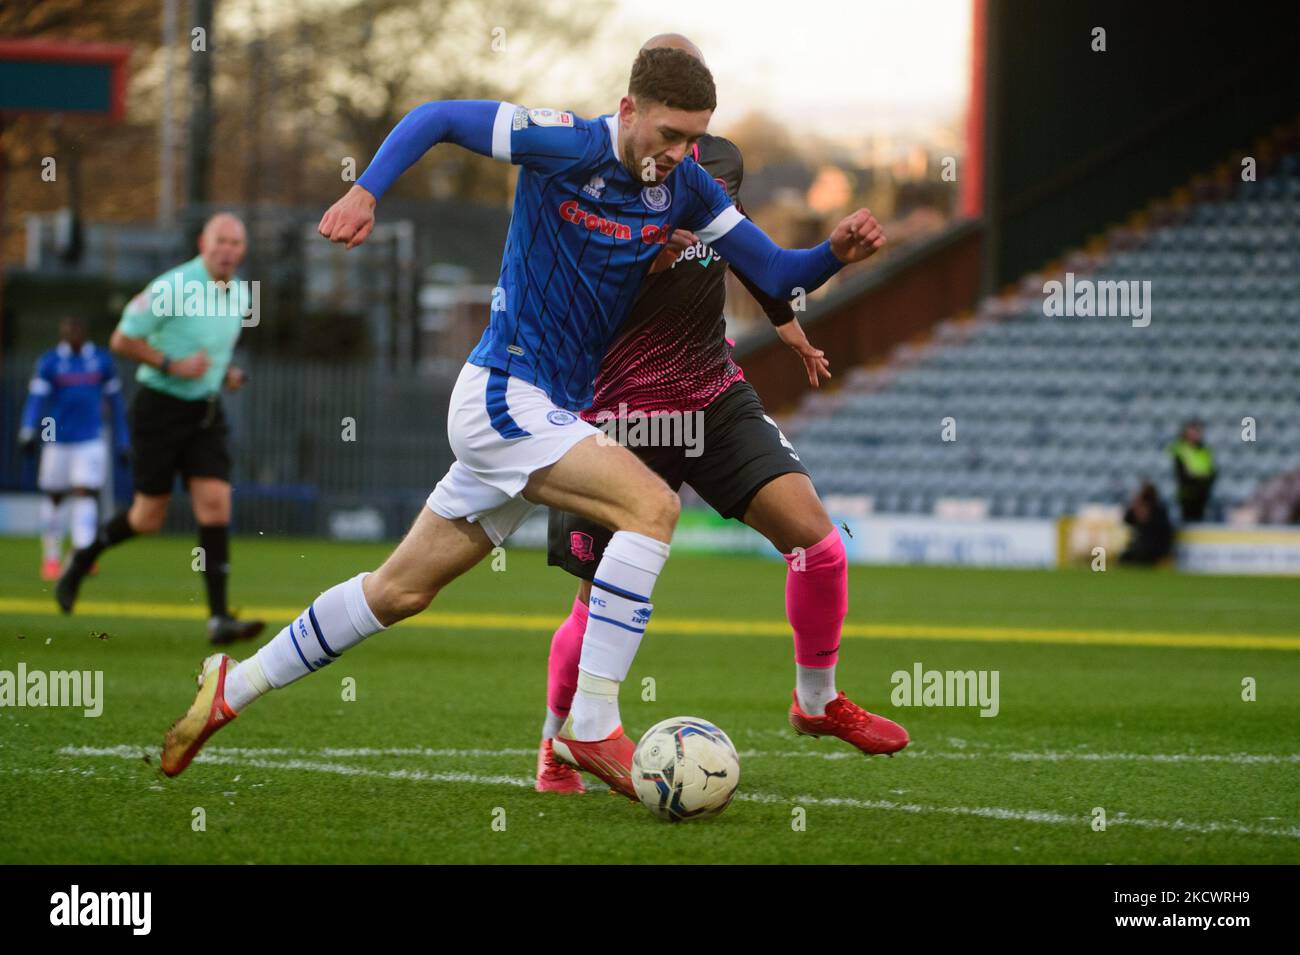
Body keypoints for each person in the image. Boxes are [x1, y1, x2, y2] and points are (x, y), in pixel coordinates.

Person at [157, 44, 886, 794]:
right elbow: (438, 116)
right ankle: (592, 724)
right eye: (668, 134)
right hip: (504, 393)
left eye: (693, 138)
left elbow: (777, 272)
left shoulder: (687, 187)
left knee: (399, 591)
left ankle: (233, 686)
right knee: (652, 508)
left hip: (540, 414)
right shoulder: (563, 143)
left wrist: (835, 253)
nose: (678, 153)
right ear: (628, 110)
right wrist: (367, 190)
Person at [534, 35, 907, 795]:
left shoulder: (719, 164)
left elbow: (749, 252)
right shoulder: (590, 176)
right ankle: (555, 741)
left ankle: (816, 701)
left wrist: (788, 318)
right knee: (594, 601)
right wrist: (640, 258)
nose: (682, 147)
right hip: (616, 415)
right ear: (638, 99)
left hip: (711, 393)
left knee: (818, 545)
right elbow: (565, 284)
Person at [55, 213, 264, 646]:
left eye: (236, 243)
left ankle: (219, 618)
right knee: (147, 518)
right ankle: (82, 558)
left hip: (205, 414)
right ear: (203, 242)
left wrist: (225, 375)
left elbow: (211, 350)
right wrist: (172, 364)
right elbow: (121, 340)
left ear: (243, 250)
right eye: (221, 241)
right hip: (159, 410)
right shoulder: (173, 286)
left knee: (215, 505)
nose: (228, 250)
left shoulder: (242, 292)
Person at [18, 317, 129, 580]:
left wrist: (123, 440)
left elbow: (116, 403)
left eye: (77, 329)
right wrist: (28, 429)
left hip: (90, 439)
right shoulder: (50, 361)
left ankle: (81, 556)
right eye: (68, 330)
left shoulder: (101, 361)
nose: (73, 334)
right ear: (63, 333)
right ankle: (51, 557)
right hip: (57, 439)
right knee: (54, 497)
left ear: (84, 332)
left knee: (86, 493)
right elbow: (37, 399)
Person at [1168, 419, 1216, 522]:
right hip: (1187, 496)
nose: (1195, 435)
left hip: (1202, 495)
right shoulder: (1180, 449)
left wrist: (1196, 476)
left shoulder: (1205, 450)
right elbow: (1182, 475)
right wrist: (1201, 476)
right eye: (1193, 431)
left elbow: (1212, 473)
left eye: (1197, 431)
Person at [1119, 481, 1174, 566]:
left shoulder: (1158, 510)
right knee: (1125, 557)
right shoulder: (1140, 509)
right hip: (1141, 546)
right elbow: (1127, 520)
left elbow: (1160, 533)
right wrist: (1135, 508)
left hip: (1154, 548)